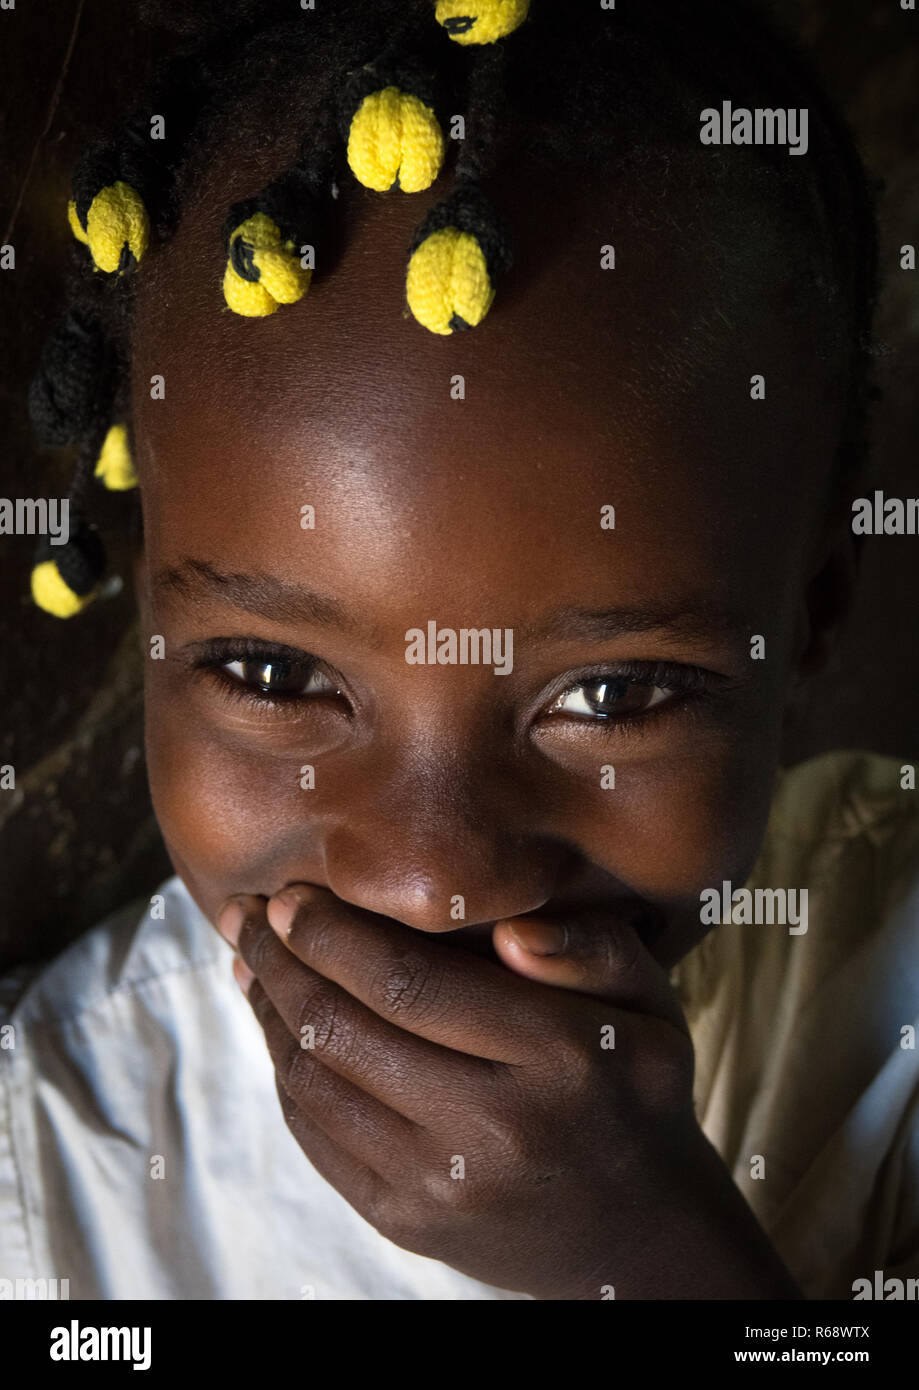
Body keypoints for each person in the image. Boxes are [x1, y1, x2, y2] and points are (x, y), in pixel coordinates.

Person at [4, 0, 916, 1300]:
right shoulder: (45, 1186)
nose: (435, 880)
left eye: (611, 693)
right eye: (272, 673)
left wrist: (654, 1258)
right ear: (149, 605)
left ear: (816, 607)